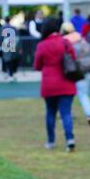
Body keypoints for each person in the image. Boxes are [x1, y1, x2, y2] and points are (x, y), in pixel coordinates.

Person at [34, 17, 76, 150]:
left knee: (50, 112)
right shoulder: (65, 43)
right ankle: (69, 138)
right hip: (66, 82)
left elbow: (37, 65)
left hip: (49, 84)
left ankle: (51, 140)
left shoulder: (42, 45)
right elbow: (73, 59)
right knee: (66, 113)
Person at [62, 21, 90, 125]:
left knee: (68, 94)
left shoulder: (64, 41)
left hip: (72, 71)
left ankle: (68, 113)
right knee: (84, 94)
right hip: (84, 69)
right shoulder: (81, 38)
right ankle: (89, 114)